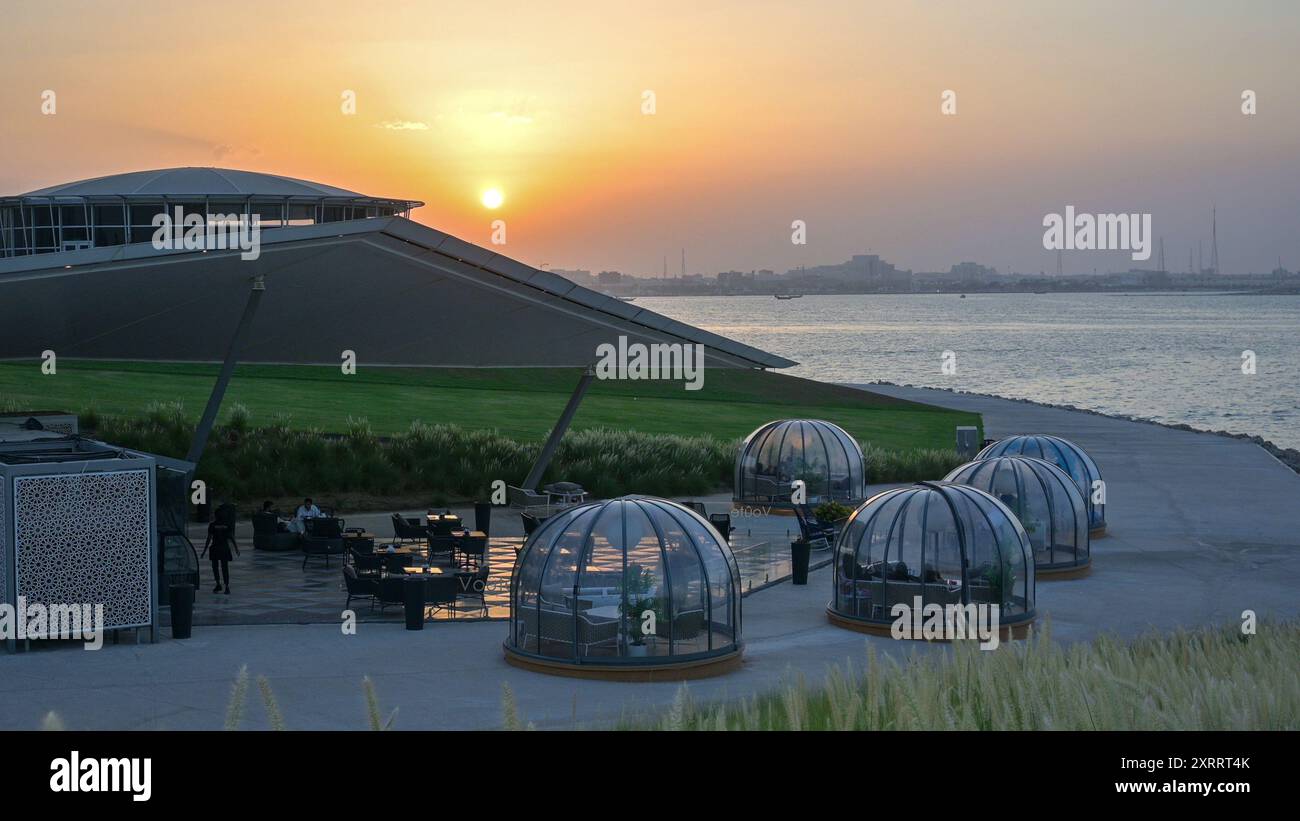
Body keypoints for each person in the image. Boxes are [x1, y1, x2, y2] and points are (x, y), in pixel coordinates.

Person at [203, 503, 241, 594]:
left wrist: (204, 551)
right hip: (224, 548)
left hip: (215, 548)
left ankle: (218, 584)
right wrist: (236, 548)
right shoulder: (227, 525)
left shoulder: (212, 525)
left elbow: (209, 539)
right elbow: (231, 537)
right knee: (225, 567)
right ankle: (227, 586)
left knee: (215, 567)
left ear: (216, 516)